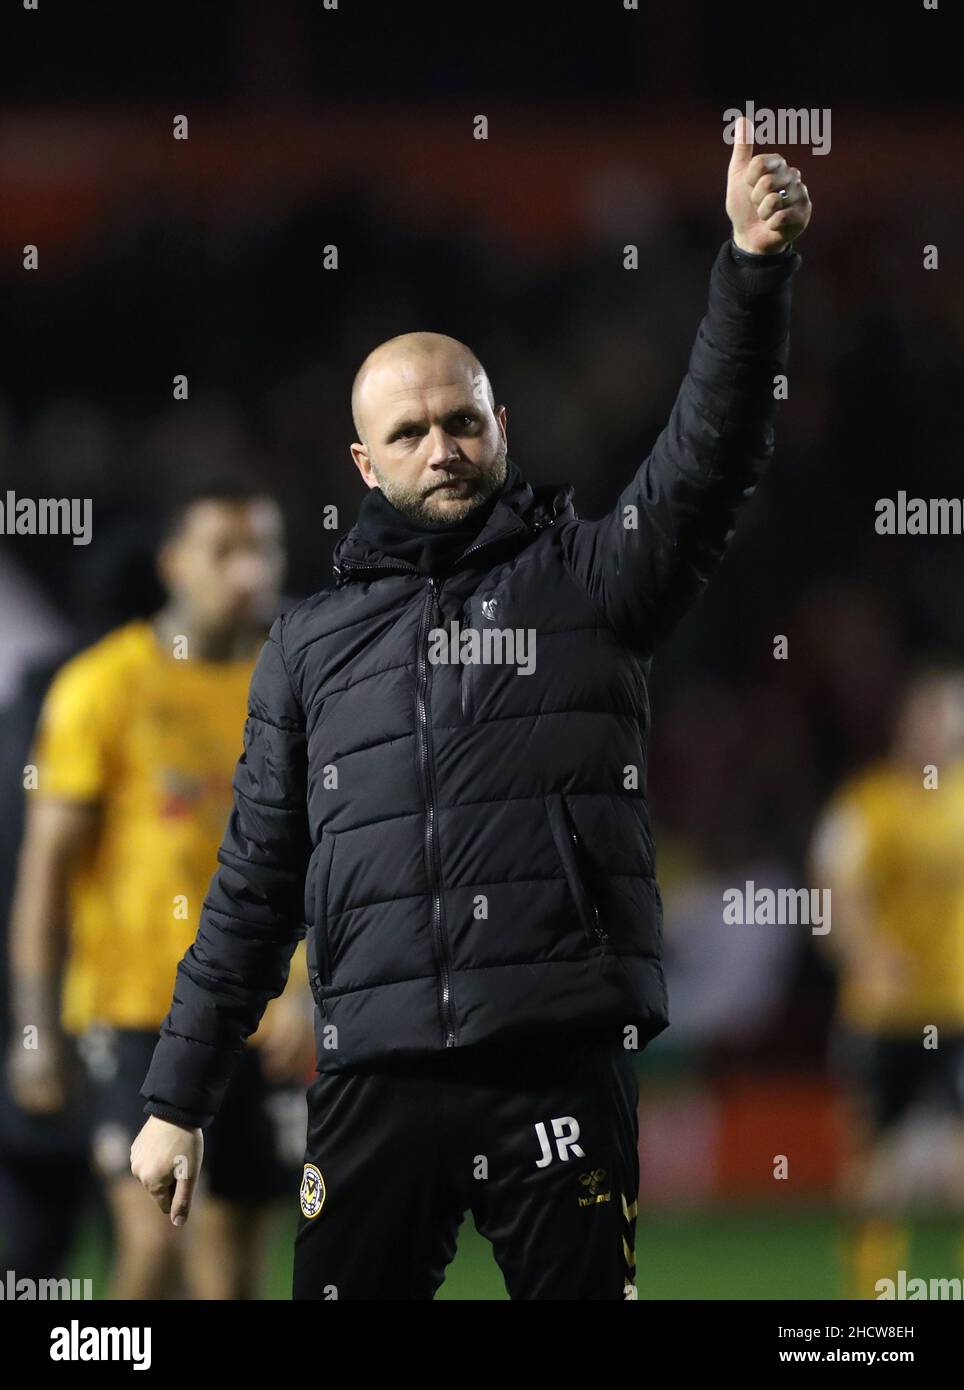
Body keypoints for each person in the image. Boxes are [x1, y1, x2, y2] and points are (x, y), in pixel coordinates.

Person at [132, 121, 811, 1300]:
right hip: (372, 1079)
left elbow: (708, 458)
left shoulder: (592, 583)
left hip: (553, 1066)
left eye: (462, 421)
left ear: (503, 428)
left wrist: (750, 270)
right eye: (410, 432)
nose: (441, 447)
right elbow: (254, 883)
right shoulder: (307, 646)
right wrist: (174, 1098)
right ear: (363, 461)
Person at [7, 481, 314, 1299]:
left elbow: (323, 860)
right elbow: (46, 875)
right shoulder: (103, 687)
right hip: (131, 1011)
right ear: (175, 563)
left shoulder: (295, 684)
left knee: (234, 1269)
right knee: (157, 1244)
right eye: (225, 551)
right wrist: (36, 1030)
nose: (249, 571)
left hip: (252, 1016)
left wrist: (304, 987)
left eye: (264, 549)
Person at [810, 670, 964, 1300]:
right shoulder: (866, 805)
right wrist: (866, 953)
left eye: (950, 720)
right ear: (906, 726)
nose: (940, 733)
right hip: (880, 1016)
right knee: (872, 1172)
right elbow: (831, 897)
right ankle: (873, 1304)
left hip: (955, 1012)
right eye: (929, 719)